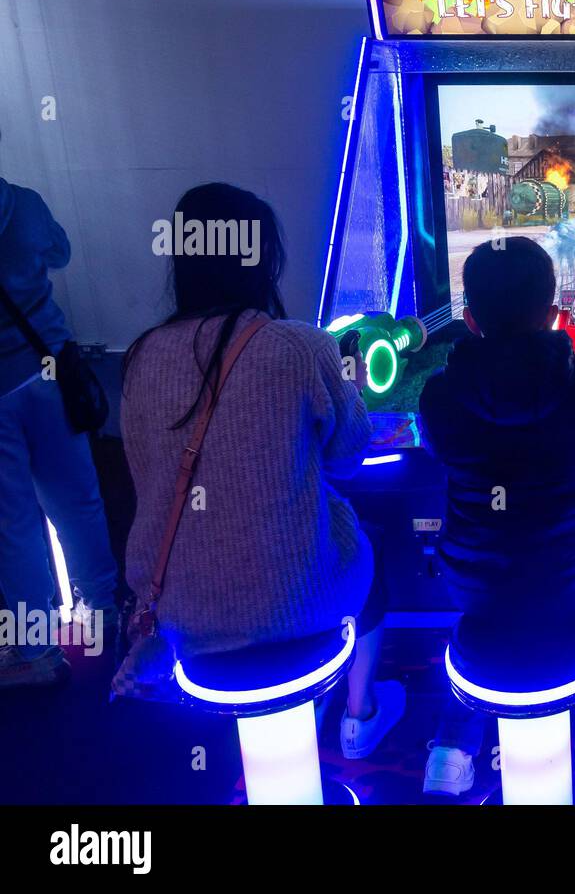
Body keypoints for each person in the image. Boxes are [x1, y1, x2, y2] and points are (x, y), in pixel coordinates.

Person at [120, 183, 403, 758]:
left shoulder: (141, 355)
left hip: (180, 613)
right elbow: (349, 458)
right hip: (302, 601)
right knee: (370, 564)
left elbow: (148, 477)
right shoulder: (300, 346)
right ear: (264, 258)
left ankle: (296, 714)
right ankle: (358, 715)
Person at [418, 236, 575, 796]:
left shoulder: (440, 395)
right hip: (569, 575)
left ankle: (451, 751)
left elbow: (441, 448)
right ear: (554, 314)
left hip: (471, 579)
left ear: (471, 318)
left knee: (488, 608)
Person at [0, 145, 119, 688]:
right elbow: (62, 251)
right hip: (48, 369)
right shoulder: (22, 204)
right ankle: (105, 614)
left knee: (14, 523)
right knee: (77, 499)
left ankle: (35, 650)